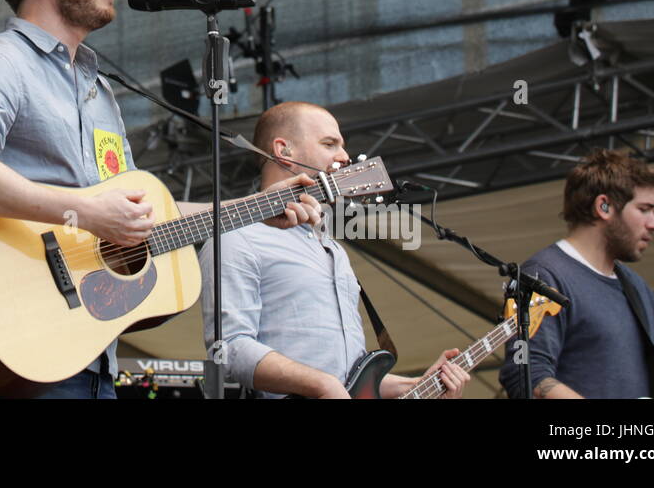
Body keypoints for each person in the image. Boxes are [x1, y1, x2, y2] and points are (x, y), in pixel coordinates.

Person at [0, 0, 316, 398]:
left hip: (90, 361)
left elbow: (139, 215)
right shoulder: (1, 62)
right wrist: (86, 211)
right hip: (18, 355)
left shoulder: (99, 89)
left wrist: (255, 210)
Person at [201, 100, 470, 398]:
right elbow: (229, 348)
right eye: (330, 144)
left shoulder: (332, 248)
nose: (344, 156)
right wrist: (322, 384)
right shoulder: (237, 235)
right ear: (283, 150)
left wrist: (416, 386)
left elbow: (348, 377)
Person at [499, 149, 654, 399]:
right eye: (644, 209)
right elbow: (526, 375)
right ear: (604, 206)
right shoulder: (543, 276)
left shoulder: (638, 289)